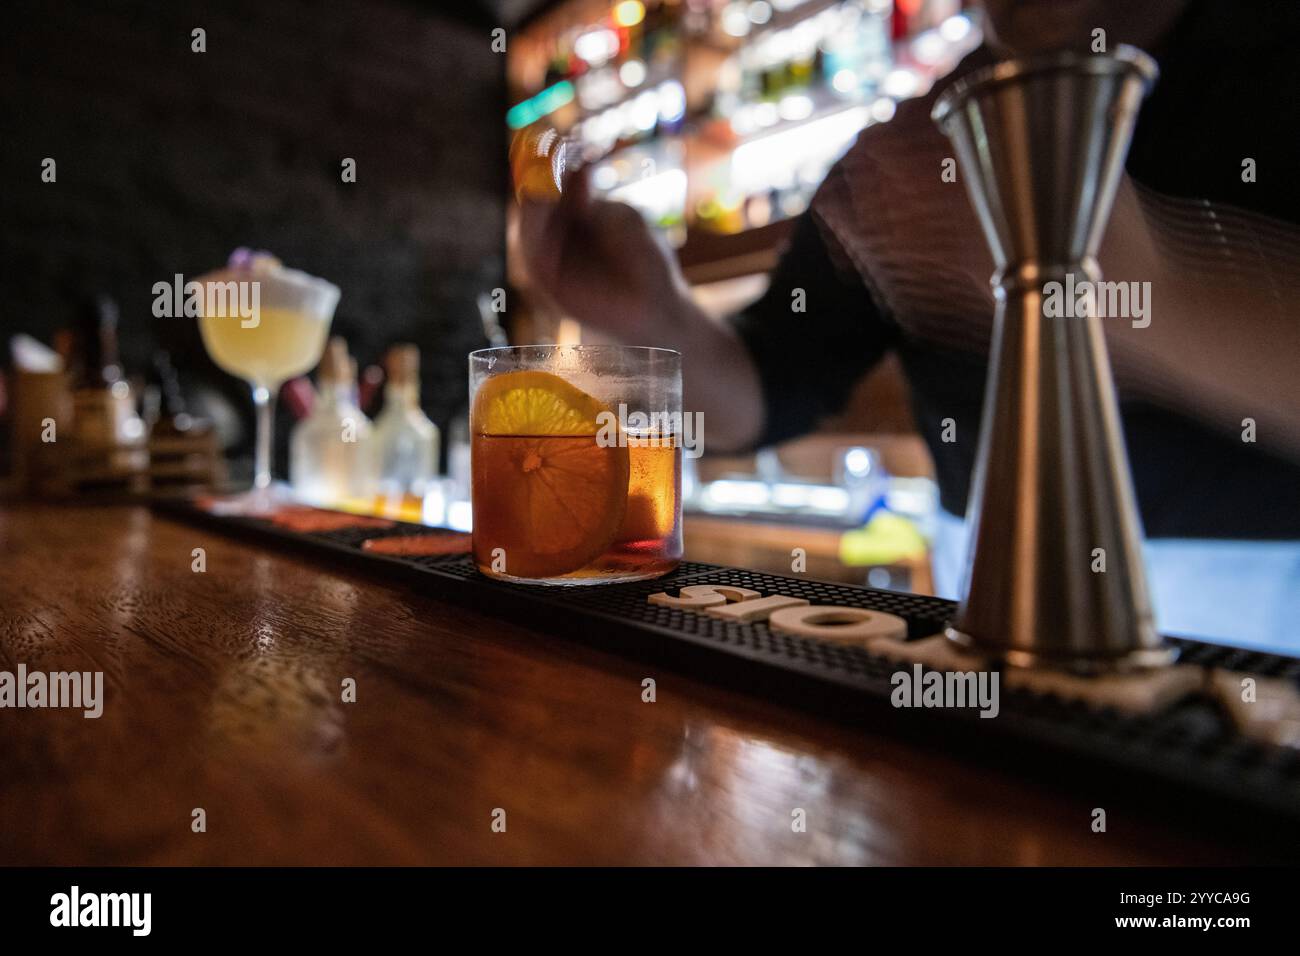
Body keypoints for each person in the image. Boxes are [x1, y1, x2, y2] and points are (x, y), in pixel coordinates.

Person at [517, 0, 1300, 647]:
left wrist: (1106, 274)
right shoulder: (914, 145)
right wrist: (656, 315)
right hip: (983, 603)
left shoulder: (1269, 57)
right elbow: (764, 393)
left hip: (1261, 610)